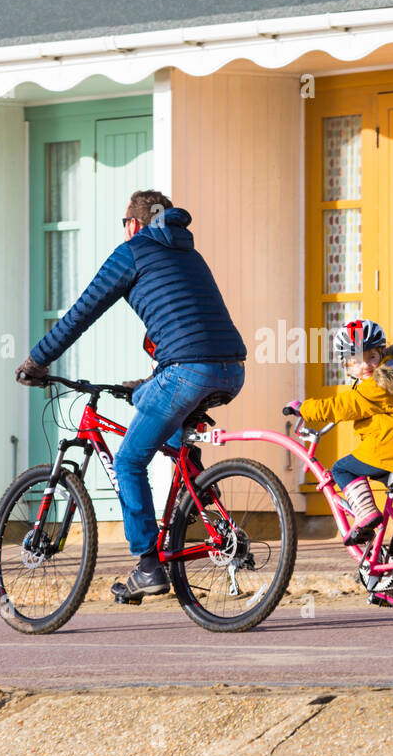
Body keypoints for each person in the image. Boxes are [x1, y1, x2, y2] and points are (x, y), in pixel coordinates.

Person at [16, 191, 246, 602]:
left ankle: (146, 566)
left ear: (132, 224)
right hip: (231, 369)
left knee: (128, 459)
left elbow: (80, 314)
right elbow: (187, 328)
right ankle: (197, 490)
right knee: (158, 414)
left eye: (124, 224)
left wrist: (36, 362)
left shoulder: (132, 252)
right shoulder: (190, 255)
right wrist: (147, 383)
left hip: (186, 371)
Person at [285, 320, 393, 548]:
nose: (365, 365)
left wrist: (304, 409)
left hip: (390, 450)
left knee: (341, 468)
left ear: (382, 353)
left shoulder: (379, 384)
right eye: (356, 361)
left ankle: (365, 515)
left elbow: (341, 406)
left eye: (371, 357)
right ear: (346, 365)